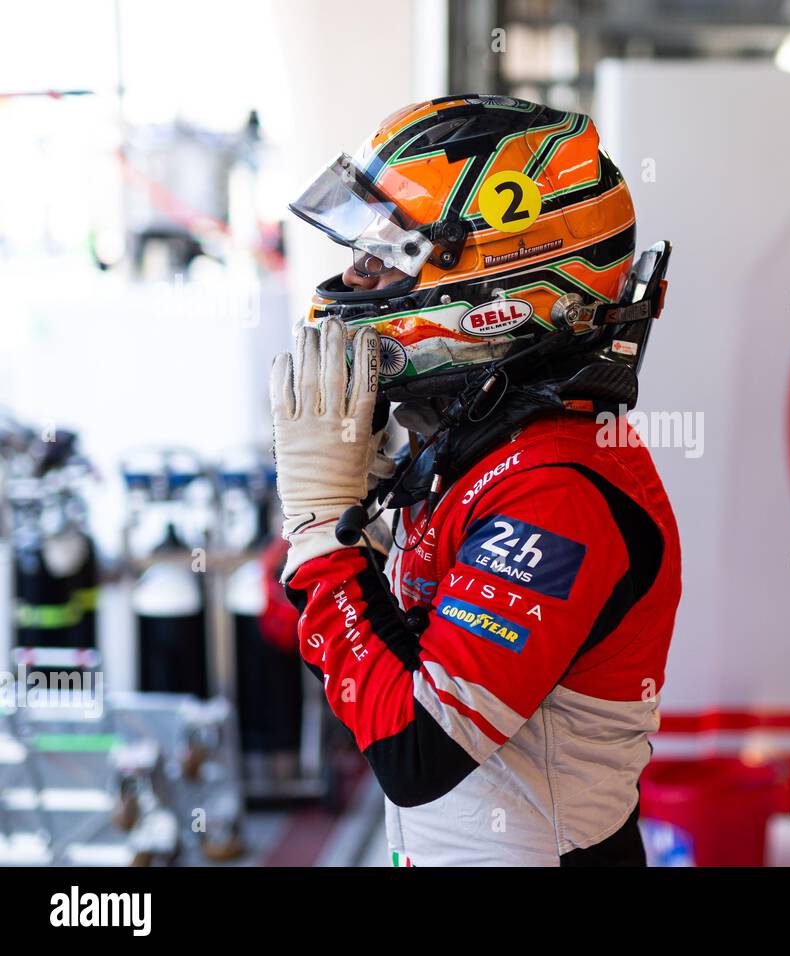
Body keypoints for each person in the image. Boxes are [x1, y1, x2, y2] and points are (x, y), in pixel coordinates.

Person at [269, 95, 681, 866]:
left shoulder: (557, 491)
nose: (357, 277)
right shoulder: (484, 447)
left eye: (388, 254)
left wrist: (322, 533)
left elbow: (415, 752)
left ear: (500, 289)